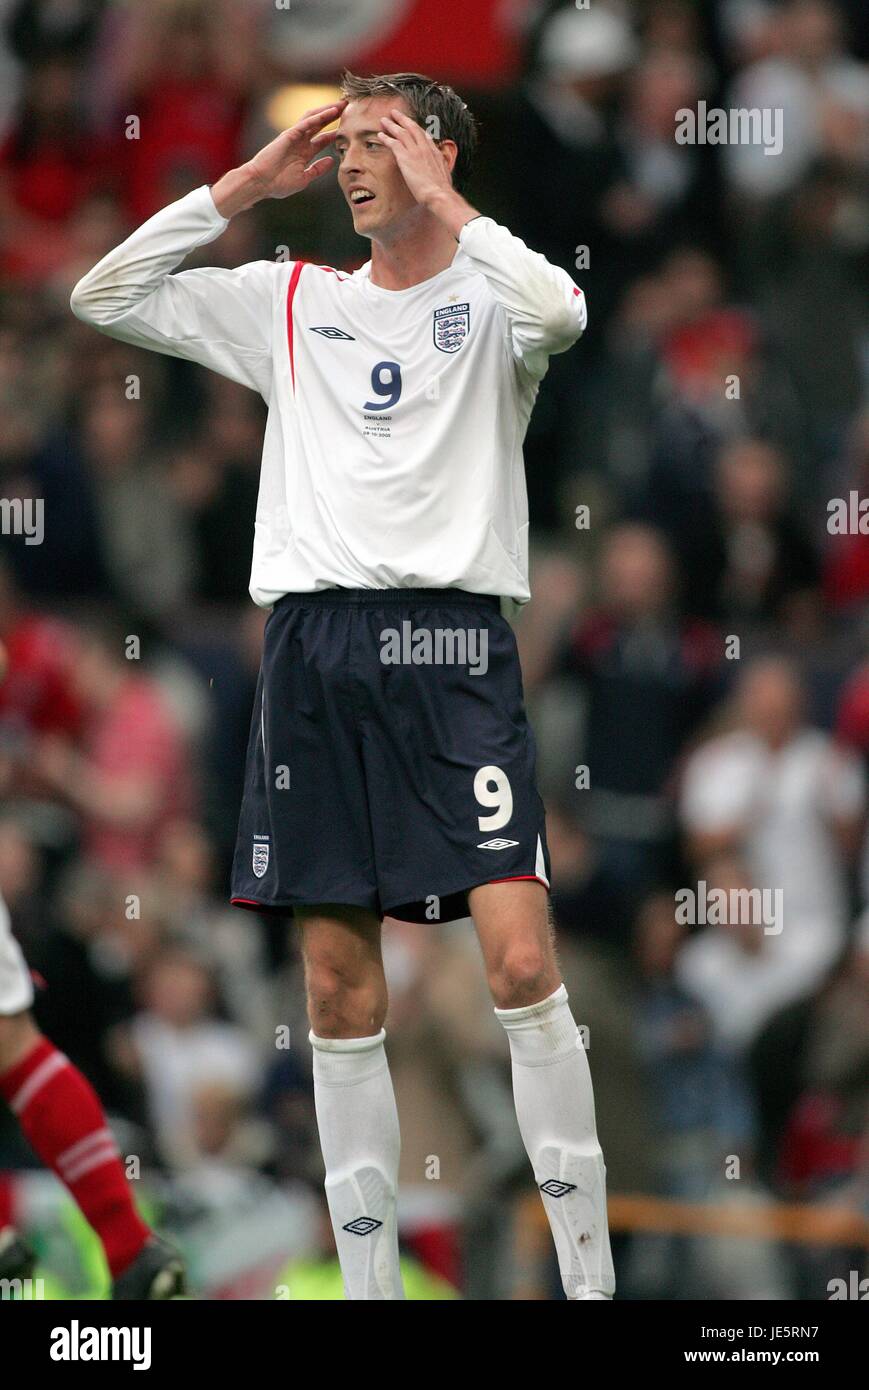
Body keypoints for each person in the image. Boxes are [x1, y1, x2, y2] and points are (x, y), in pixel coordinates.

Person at [70, 71, 615, 1302]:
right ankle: (366, 1294)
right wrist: (241, 190)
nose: (350, 165)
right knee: (330, 980)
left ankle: (590, 1283)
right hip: (314, 653)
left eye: (376, 143)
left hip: (456, 651)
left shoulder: (491, 297)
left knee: (520, 960)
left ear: (434, 154)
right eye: (345, 145)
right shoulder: (292, 298)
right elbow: (102, 292)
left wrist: (453, 205)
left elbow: (568, 309)